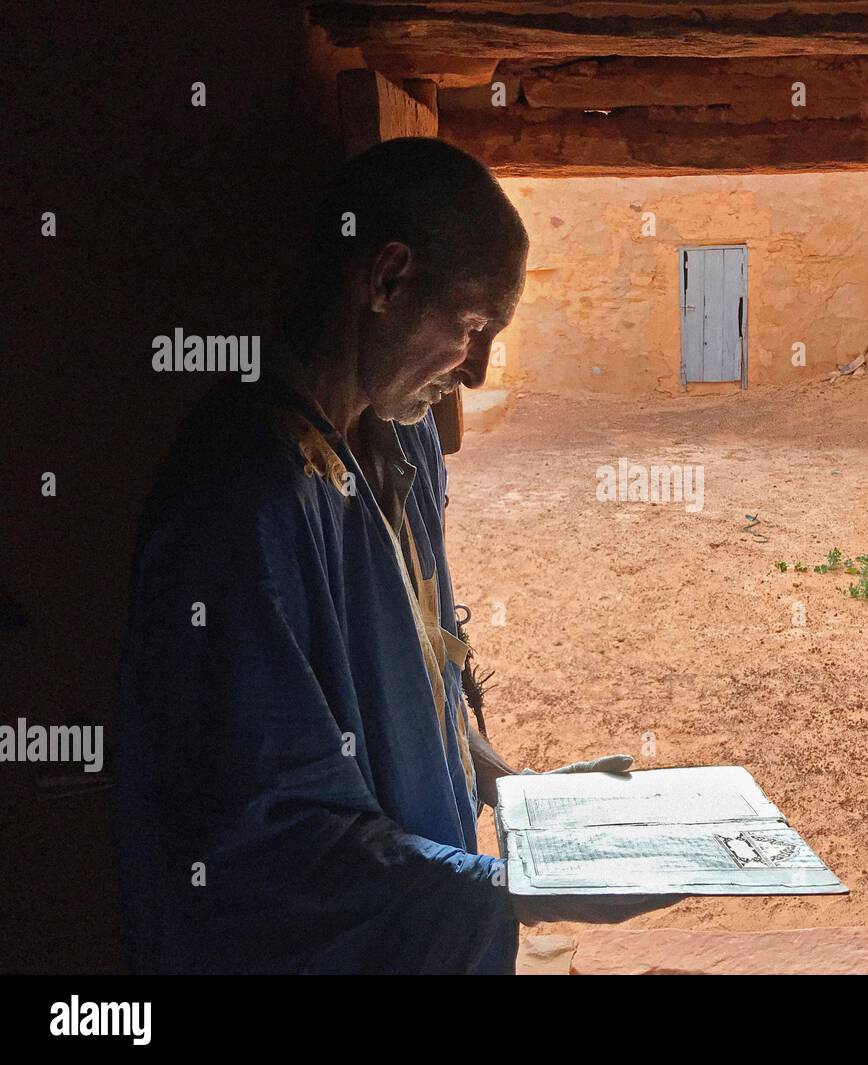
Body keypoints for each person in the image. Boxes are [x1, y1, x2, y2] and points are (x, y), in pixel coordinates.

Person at [114, 137, 667, 975]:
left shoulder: (405, 453)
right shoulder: (239, 504)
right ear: (389, 279)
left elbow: (420, 686)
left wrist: (515, 790)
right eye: (474, 326)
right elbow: (275, 847)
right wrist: (517, 889)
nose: (478, 372)